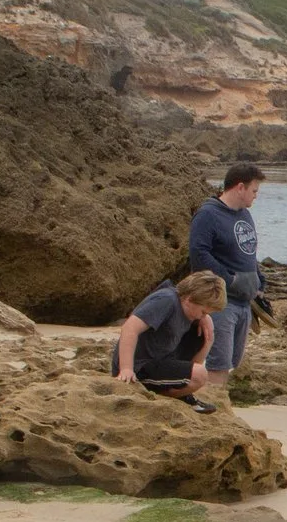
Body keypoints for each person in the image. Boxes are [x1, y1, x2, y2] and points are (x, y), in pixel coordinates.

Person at [189, 163, 265, 394]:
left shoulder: (245, 215)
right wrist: (230, 280)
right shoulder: (208, 214)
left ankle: (219, 405)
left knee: (232, 362)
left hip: (244, 302)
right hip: (221, 302)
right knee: (218, 363)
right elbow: (199, 254)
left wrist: (258, 280)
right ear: (240, 187)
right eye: (254, 190)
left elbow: (248, 251)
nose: (256, 195)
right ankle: (214, 410)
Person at [112, 271, 228, 407]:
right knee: (199, 375)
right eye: (203, 312)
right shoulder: (166, 300)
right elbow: (129, 328)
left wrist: (209, 339)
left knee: (203, 332)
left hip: (162, 359)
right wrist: (126, 369)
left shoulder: (187, 308)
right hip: (140, 366)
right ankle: (175, 393)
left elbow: (197, 360)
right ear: (190, 299)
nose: (203, 316)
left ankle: (181, 387)